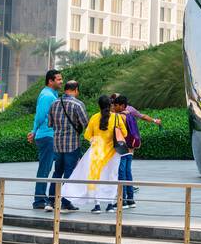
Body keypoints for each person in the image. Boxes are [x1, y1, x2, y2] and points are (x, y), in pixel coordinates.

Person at [63, 95, 127, 213]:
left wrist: (95, 139)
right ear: (111, 105)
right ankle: (110, 204)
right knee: (112, 177)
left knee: (97, 177)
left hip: (97, 153)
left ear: (99, 105)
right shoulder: (117, 118)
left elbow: (87, 135)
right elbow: (125, 133)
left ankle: (97, 205)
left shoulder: (94, 118)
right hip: (113, 153)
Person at [108, 94, 160, 211]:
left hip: (122, 148)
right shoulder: (130, 111)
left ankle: (123, 200)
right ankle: (130, 199)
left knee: (122, 174)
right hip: (131, 148)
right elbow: (143, 117)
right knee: (128, 173)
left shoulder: (119, 116)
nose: (114, 106)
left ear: (121, 106)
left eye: (115, 104)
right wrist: (155, 120)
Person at [46, 81, 89, 212]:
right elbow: (86, 124)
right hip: (72, 144)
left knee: (57, 172)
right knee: (70, 173)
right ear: (76, 90)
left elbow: (50, 124)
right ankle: (65, 202)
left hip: (58, 144)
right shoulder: (78, 104)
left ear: (65, 89)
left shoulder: (54, 104)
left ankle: (51, 201)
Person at [27, 69, 62, 210]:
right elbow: (40, 116)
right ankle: (39, 200)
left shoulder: (52, 95)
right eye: (58, 79)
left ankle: (44, 198)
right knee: (44, 168)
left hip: (50, 135)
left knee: (48, 168)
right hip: (47, 136)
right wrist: (34, 131)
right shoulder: (47, 96)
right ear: (50, 81)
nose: (61, 81)